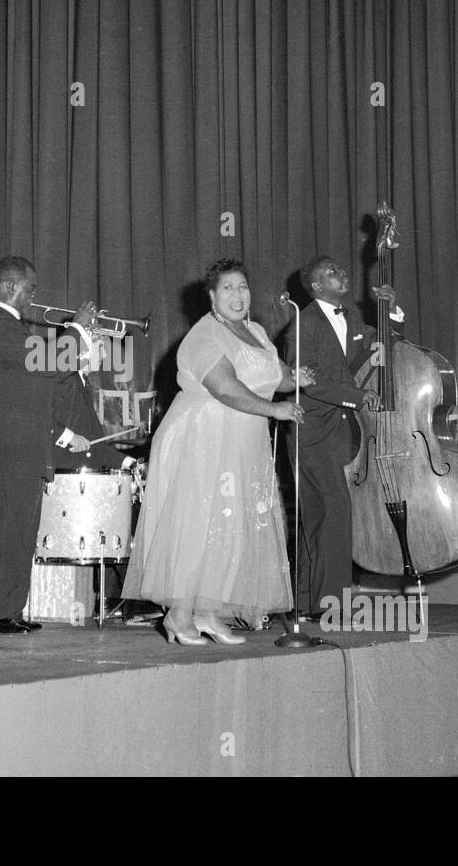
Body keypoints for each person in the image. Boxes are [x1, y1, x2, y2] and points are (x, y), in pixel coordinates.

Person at [122, 259, 308, 645]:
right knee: (199, 524)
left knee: (233, 526)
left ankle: (207, 610)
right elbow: (225, 387)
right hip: (203, 439)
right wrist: (275, 408)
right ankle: (178, 614)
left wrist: (294, 379)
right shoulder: (204, 335)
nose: (238, 295)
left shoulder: (255, 331)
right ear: (211, 296)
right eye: (228, 288)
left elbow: (272, 378)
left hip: (243, 440)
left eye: (243, 287)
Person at [0, 257, 96, 635]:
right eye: (30, 289)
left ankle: (8, 608)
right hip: (11, 446)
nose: (33, 297)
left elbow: (47, 375)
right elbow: (49, 360)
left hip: (25, 444)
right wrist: (76, 329)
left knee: (19, 532)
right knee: (5, 530)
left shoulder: (10, 327)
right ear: (11, 287)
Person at [282, 256, 400, 622]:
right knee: (335, 510)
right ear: (315, 285)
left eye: (342, 269)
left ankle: (304, 600)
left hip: (343, 431)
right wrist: (355, 396)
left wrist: (389, 311)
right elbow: (307, 379)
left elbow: (382, 349)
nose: (343, 273)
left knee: (317, 516)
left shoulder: (351, 321)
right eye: (332, 272)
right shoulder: (303, 324)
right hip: (311, 431)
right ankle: (332, 603)